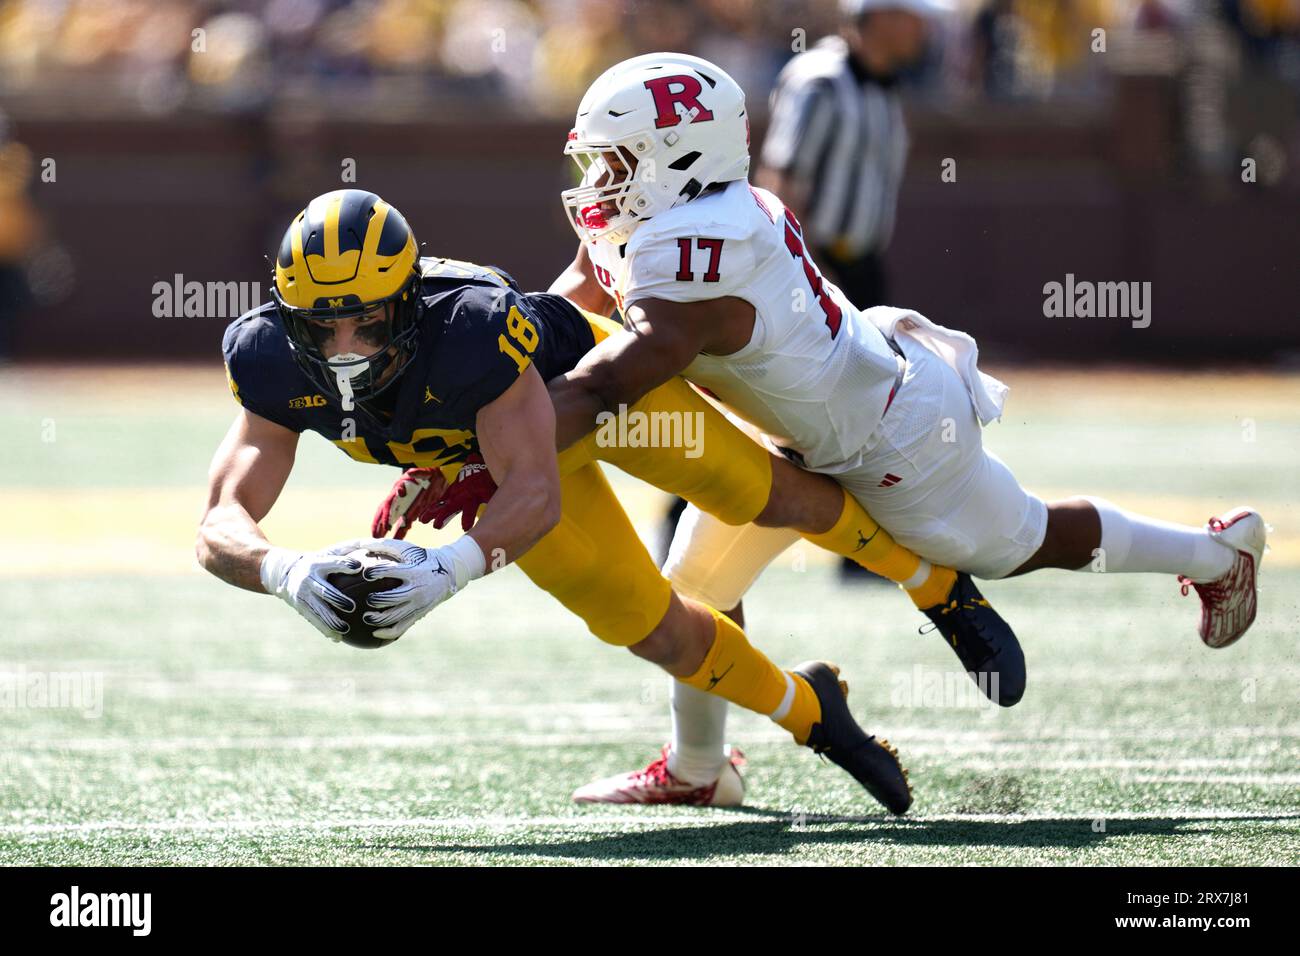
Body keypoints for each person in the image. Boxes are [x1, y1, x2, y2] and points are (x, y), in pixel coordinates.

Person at [418, 52, 1264, 806]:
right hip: (802, 437)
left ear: (676, 157)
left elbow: (610, 379)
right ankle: (701, 766)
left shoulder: (699, 243)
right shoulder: (676, 215)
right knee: (697, 592)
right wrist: (498, 375)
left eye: (614, 160)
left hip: (893, 437)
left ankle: (1217, 555)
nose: (598, 179)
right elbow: (582, 298)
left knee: (1017, 542)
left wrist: (493, 448)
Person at [197, 188, 1016, 815]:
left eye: (368, 324)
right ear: (287, 314)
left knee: (755, 489)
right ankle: (811, 713)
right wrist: (287, 572)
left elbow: (534, 490)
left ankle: (934, 585)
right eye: (321, 327)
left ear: (408, 303)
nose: (343, 351)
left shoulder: (472, 329)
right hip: (490, 455)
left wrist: (446, 569)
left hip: (584, 398)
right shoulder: (269, 358)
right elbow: (220, 523)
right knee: (645, 624)